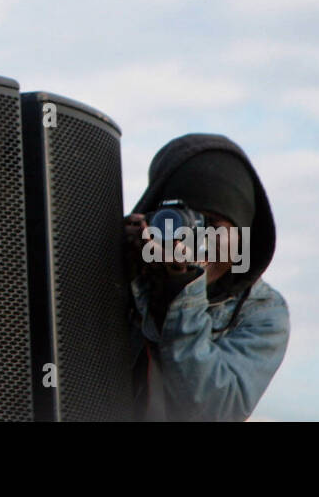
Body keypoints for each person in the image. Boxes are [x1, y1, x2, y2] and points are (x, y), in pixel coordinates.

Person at [123, 133, 288, 420]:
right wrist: (110, 256)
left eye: (213, 224)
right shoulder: (124, 275)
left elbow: (214, 410)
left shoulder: (263, 311)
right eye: (180, 219)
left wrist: (182, 291)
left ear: (242, 238)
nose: (196, 238)